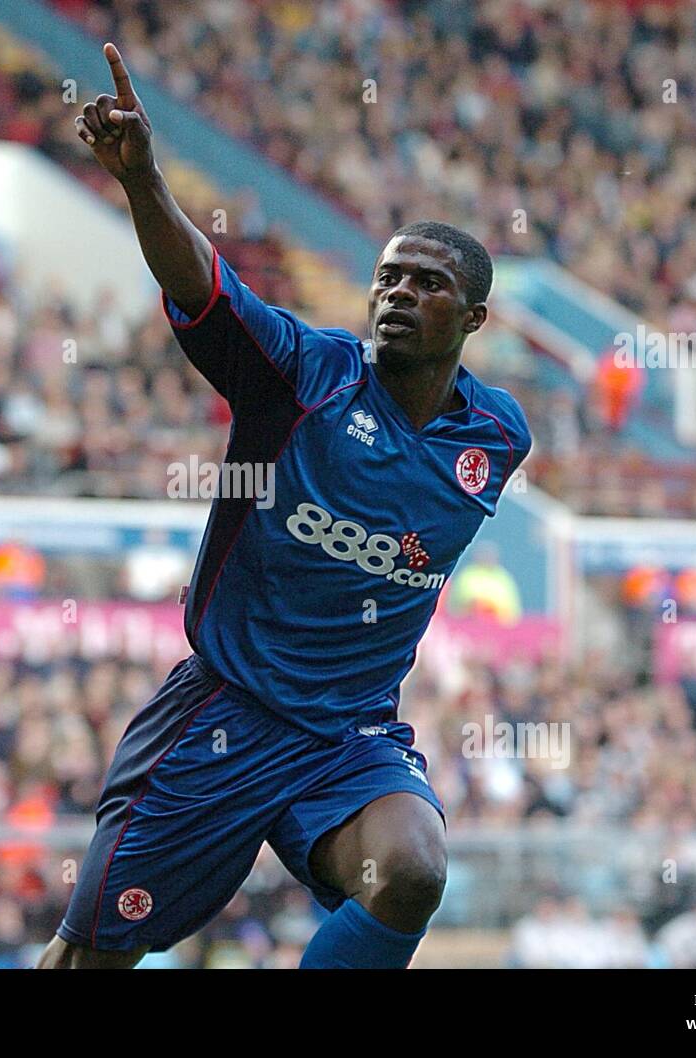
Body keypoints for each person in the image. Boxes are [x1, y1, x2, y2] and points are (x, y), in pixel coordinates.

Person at [39, 44, 530, 969]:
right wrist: (144, 183)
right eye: (389, 277)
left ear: (473, 321)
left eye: (428, 284)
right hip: (225, 713)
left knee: (413, 871)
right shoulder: (303, 376)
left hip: (347, 733)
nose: (398, 295)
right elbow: (200, 282)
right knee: (87, 958)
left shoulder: (496, 440)